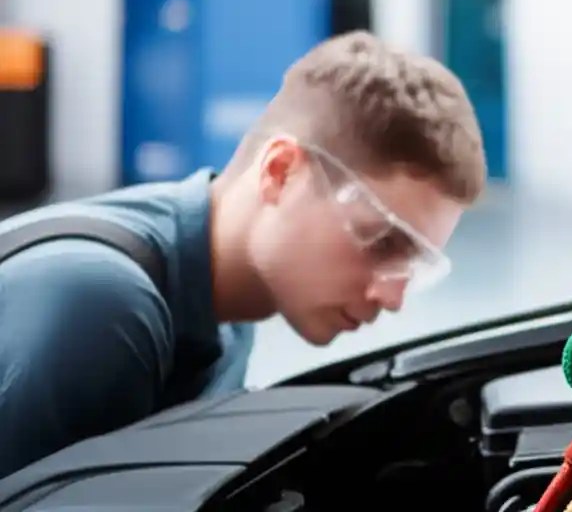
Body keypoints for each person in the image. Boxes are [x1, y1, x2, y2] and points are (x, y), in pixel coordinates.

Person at [0, 30, 486, 479]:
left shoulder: (231, 312)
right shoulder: (101, 306)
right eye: (382, 241)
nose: (393, 295)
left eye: (413, 265)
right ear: (280, 171)